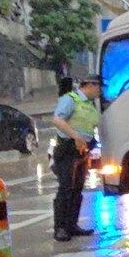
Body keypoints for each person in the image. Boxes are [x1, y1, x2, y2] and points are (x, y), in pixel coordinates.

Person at [50, 76, 102, 242]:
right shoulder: (71, 99)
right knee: (66, 188)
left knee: (77, 189)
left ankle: (72, 225)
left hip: (82, 151)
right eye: (99, 87)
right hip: (68, 149)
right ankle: (60, 228)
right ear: (90, 85)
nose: (100, 91)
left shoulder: (90, 104)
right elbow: (57, 119)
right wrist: (76, 137)